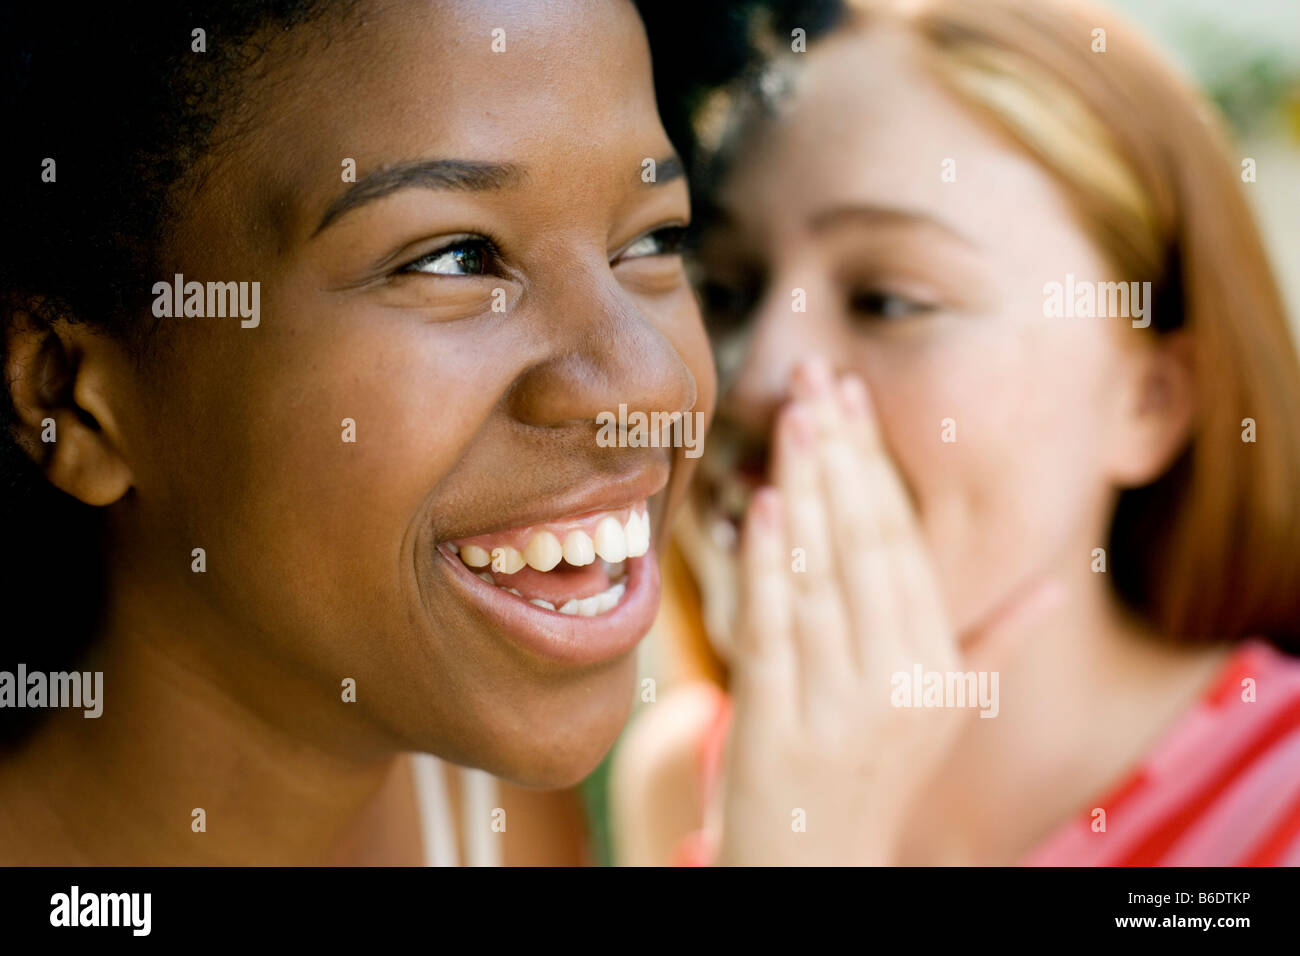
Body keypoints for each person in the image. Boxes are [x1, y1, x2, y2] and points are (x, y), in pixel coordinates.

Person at [0, 0, 714, 865]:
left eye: (651, 239)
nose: (653, 384)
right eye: (452, 257)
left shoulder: (481, 793)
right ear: (70, 398)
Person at [612, 0, 1300, 866]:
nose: (749, 378)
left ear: (1150, 404)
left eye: (888, 301)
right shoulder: (688, 774)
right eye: (727, 291)